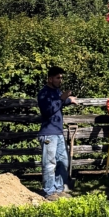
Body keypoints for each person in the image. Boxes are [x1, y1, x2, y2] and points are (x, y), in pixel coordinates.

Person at [37, 65, 78, 201]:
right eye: (57, 78)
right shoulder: (44, 93)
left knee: (63, 161)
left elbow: (60, 102)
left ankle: (59, 189)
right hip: (48, 133)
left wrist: (69, 100)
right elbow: (48, 110)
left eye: (61, 78)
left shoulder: (56, 91)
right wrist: (62, 98)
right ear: (50, 79)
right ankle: (49, 192)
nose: (60, 80)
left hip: (58, 132)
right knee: (49, 163)